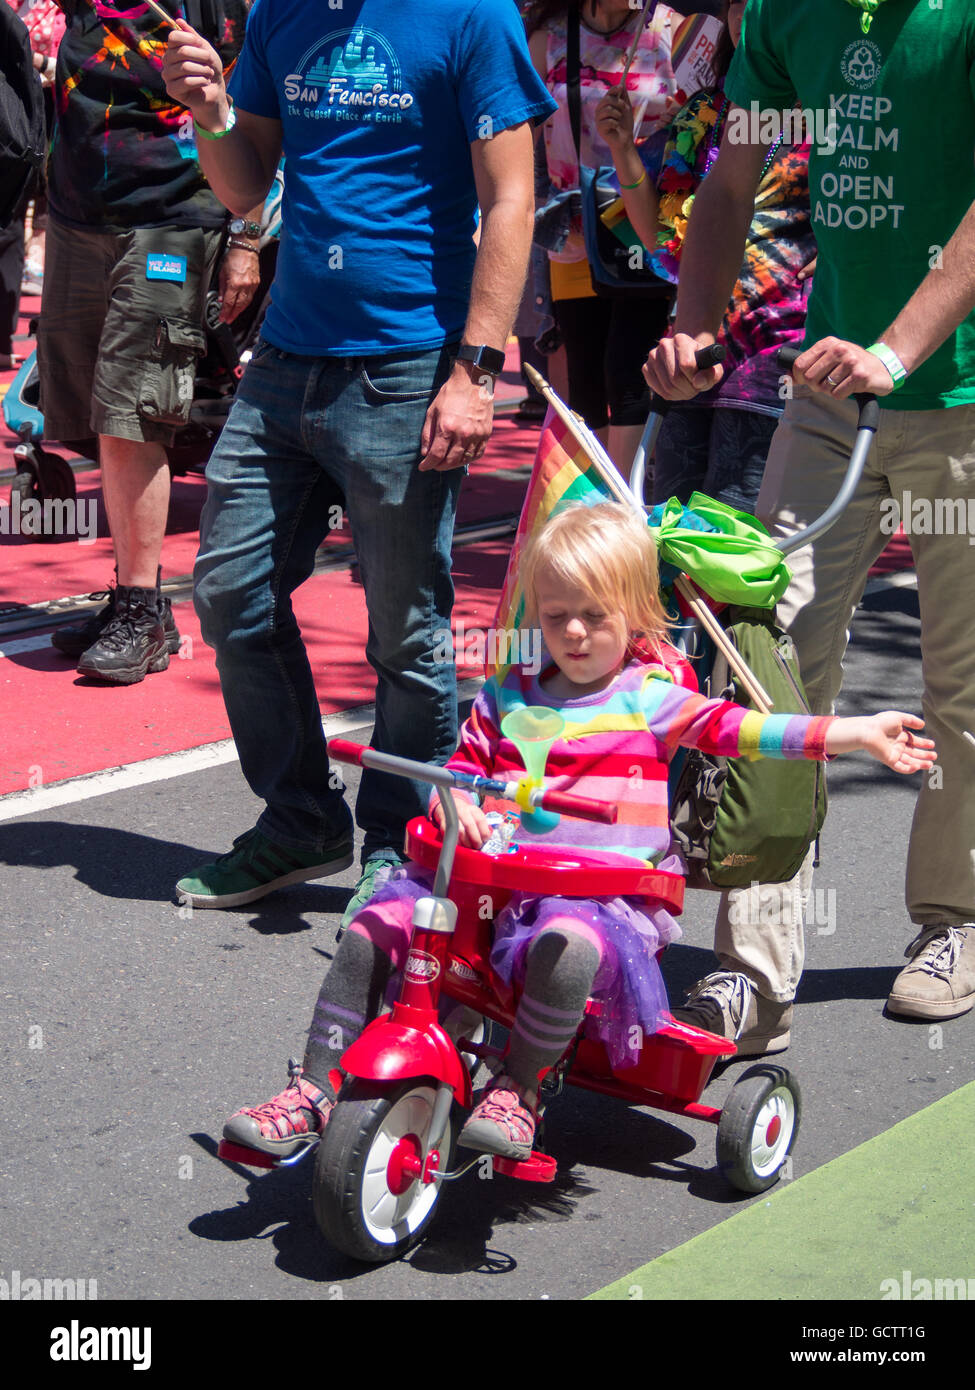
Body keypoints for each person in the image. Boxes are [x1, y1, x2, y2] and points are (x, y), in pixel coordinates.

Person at [220, 502, 934, 1162]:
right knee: (371, 930)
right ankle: (313, 1088)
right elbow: (458, 774)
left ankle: (521, 1088)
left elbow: (747, 731)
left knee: (567, 945)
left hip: (599, 902)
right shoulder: (506, 694)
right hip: (492, 887)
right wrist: (451, 806)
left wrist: (853, 734)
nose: (571, 633)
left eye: (593, 616)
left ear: (634, 614)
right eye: (556, 614)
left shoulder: (649, 699)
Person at [162, 1, 555, 927]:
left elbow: (511, 199)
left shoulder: (471, 14)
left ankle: (403, 844)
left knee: (405, 629)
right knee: (229, 593)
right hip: (288, 359)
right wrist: (211, 112)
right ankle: (302, 819)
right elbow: (246, 191)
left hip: (411, 366)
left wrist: (475, 370)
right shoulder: (280, 14)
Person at [644, 0, 975, 1039]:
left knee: (962, 679)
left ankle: (952, 920)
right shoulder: (789, 12)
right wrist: (692, 326)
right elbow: (732, 180)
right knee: (768, 657)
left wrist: (900, 348)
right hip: (829, 394)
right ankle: (755, 967)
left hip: (958, 395)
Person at [41, 0, 261, 684]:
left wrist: (248, 238)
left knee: (135, 412)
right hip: (77, 217)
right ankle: (130, 600)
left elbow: (257, 110)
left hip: (172, 221)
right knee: (92, 413)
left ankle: (142, 608)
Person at [594, 0, 815, 512]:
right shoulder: (704, 114)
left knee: (739, 550)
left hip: (779, 356)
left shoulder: (829, 112)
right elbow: (663, 245)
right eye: (738, 4)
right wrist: (624, 148)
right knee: (673, 540)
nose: (750, 15)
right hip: (692, 355)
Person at [526, 0, 724, 473]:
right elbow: (521, 134)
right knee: (585, 378)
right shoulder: (547, 40)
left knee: (629, 369)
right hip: (575, 233)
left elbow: (706, 127)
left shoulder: (678, 33)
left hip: (648, 229)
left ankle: (623, 507)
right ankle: (590, 503)